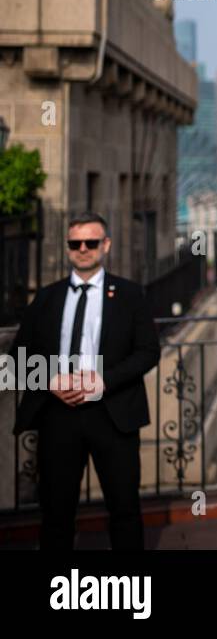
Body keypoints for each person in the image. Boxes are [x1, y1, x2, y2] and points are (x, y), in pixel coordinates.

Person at [8, 212, 161, 549]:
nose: (82, 249)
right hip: (58, 415)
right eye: (75, 243)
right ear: (67, 248)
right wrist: (50, 382)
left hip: (112, 413)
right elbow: (17, 356)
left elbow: (149, 352)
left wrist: (102, 382)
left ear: (105, 245)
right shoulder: (47, 298)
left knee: (124, 508)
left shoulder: (130, 294)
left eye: (90, 242)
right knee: (56, 512)